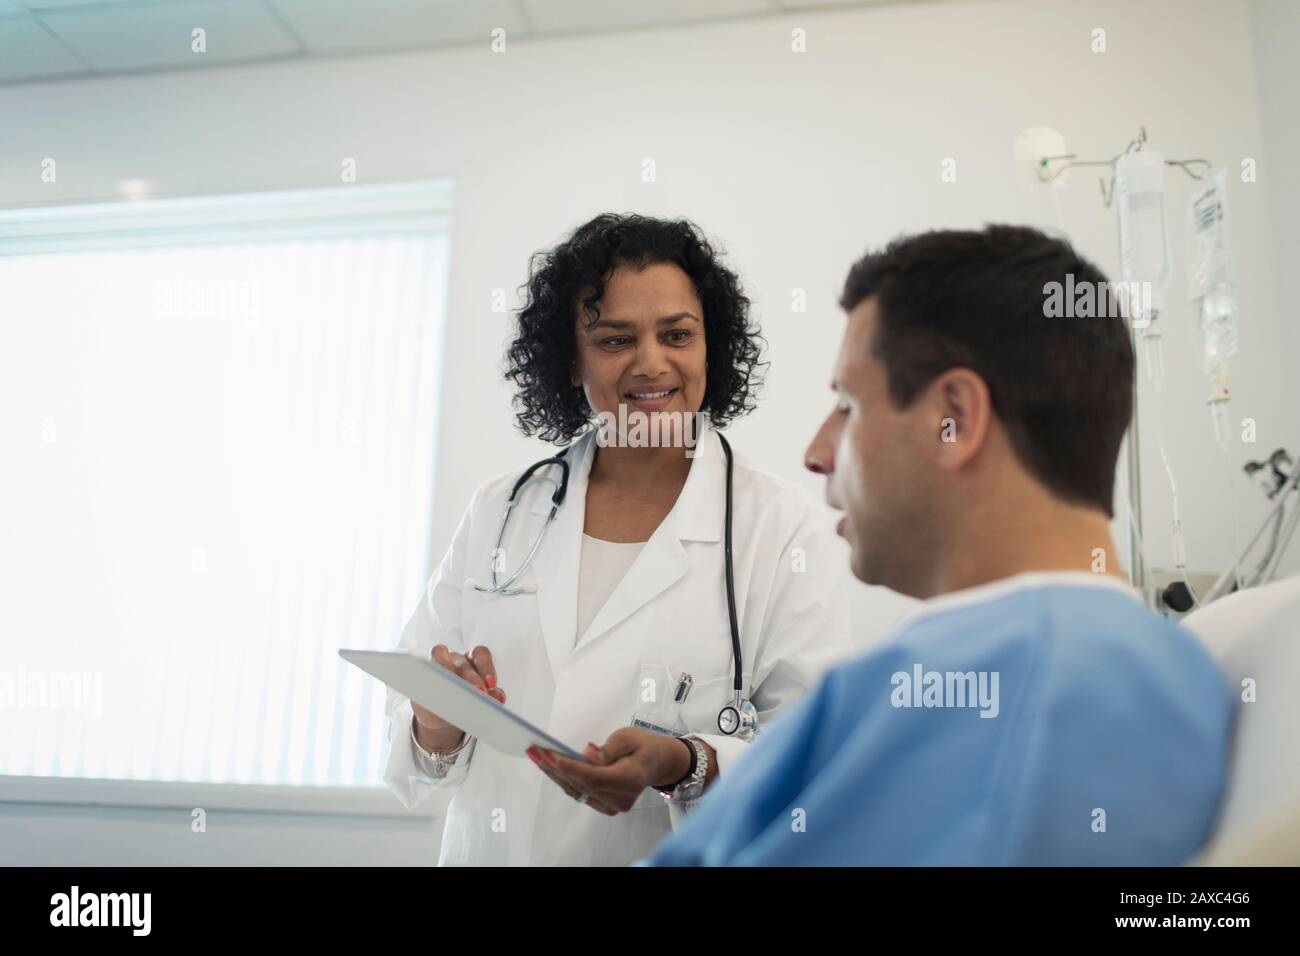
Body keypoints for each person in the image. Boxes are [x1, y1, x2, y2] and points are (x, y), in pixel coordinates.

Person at [644, 225, 1235, 866]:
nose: (817, 453)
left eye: (847, 403)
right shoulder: (1178, 673)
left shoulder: (954, 689)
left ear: (955, 417)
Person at [383, 213, 856, 865]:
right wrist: (435, 725)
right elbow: (419, 735)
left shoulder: (779, 527)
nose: (651, 363)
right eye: (614, 340)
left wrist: (686, 763)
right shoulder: (501, 509)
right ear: (570, 361)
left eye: (677, 334)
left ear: (709, 346)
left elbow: (815, 754)